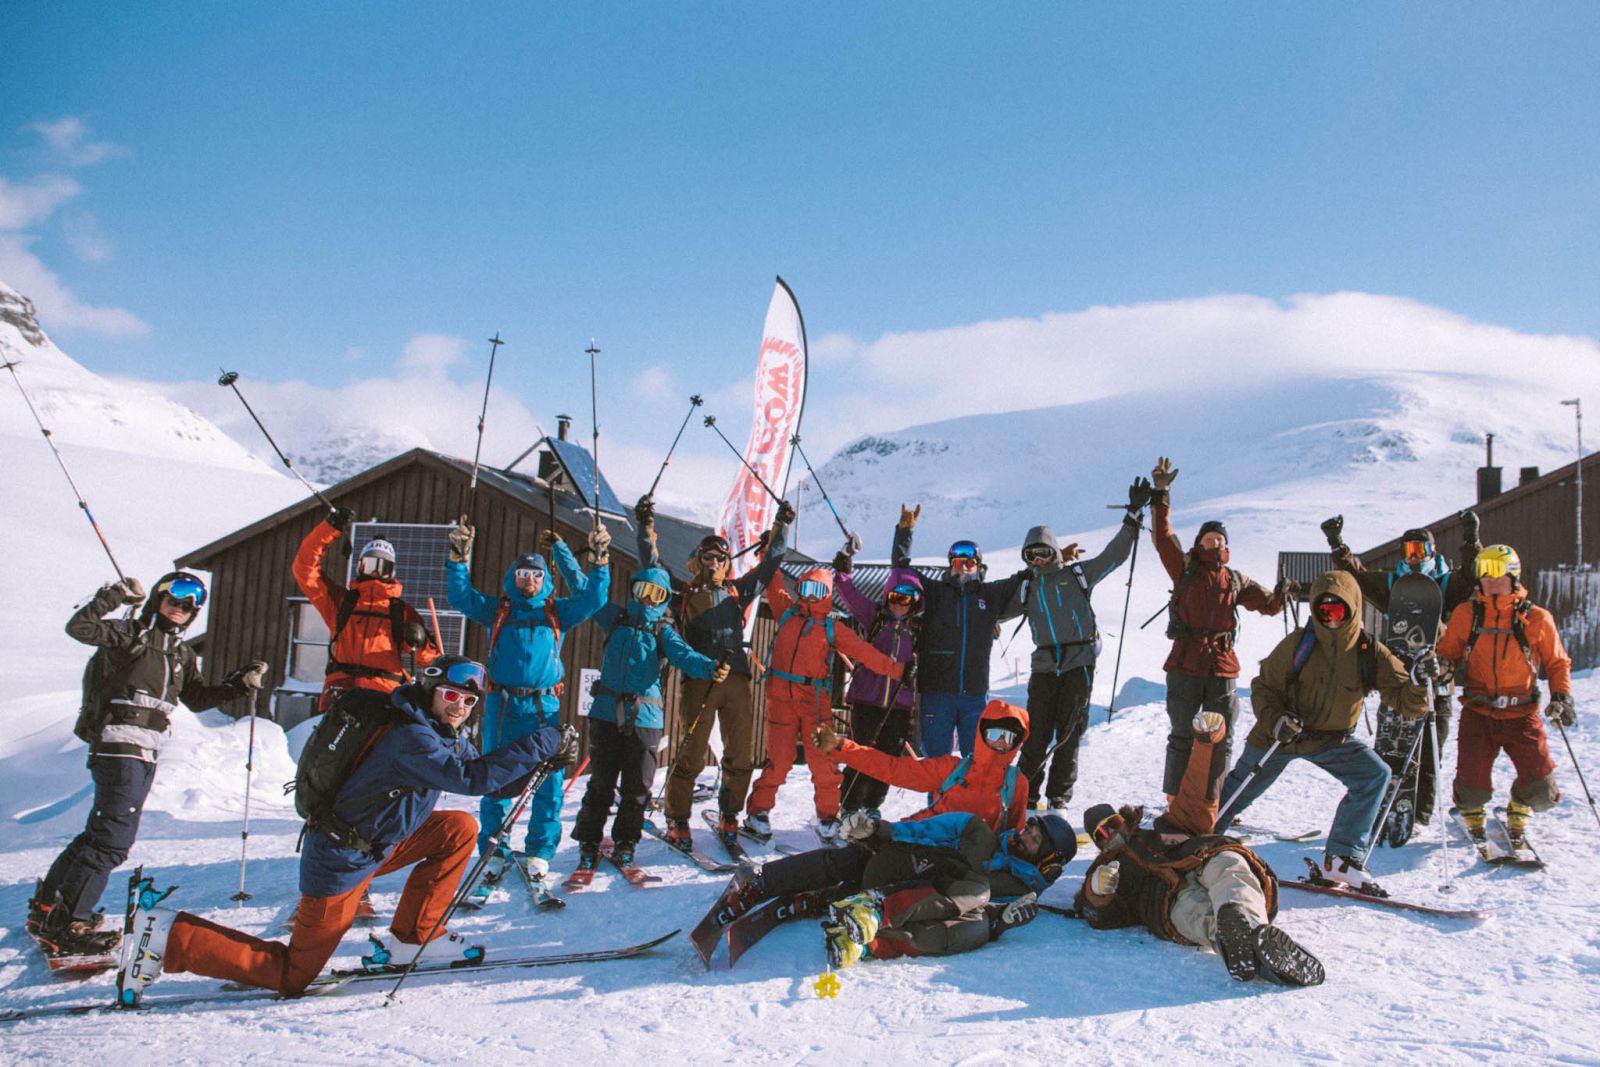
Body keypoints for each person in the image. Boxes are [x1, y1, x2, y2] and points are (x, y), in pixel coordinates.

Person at [114, 656, 579, 1003]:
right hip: (341, 859)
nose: (460, 706)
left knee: (458, 828)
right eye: (452, 695)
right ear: (431, 689)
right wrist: (541, 740)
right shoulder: (411, 736)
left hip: (381, 843)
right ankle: (168, 937)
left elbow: (483, 779)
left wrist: (542, 763)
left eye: (469, 700)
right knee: (293, 975)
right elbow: (471, 779)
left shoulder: (436, 730)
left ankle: (414, 939)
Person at [29, 573, 266, 958]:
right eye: (174, 596)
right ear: (158, 597)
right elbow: (80, 627)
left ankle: (47, 908)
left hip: (147, 748)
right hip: (118, 743)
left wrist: (237, 685)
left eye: (191, 603)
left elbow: (197, 698)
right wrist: (114, 596)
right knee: (112, 840)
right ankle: (68, 925)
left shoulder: (181, 653)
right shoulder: (131, 634)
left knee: (101, 832)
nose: (181, 606)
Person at [1214, 571, 1432, 893]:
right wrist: (1277, 722)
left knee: (1374, 775)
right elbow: (1262, 688)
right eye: (1324, 611)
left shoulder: (1368, 652)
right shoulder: (1298, 645)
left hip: (1332, 739)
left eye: (1338, 611)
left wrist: (1419, 682)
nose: (1330, 619)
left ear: (1353, 610)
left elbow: (1406, 701)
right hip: (1282, 738)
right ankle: (1196, 834)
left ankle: (1341, 860)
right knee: (1239, 789)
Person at [1075, 710, 1323, 986]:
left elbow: (1194, 798)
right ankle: (1238, 944)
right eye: (1101, 834)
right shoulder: (1107, 868)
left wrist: (1206, 743)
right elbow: (1096, 914)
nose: (1110, 832)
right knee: (1191, 912)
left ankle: (1249, 928)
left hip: (1201, 859)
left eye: (1113, 822)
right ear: (1098, 844)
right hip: (1166, 899)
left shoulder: (1162, 828)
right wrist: (1098, 892)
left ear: (1124, 817)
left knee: (1229, 865)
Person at [445, 517, 611, 880]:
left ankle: (540, 851)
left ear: (544, 580)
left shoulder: (556, 612)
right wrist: (459, 557)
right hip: (502, 708)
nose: (529, 580)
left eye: (535, 575)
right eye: (522, 574)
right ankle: (495, 847)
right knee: (494, 777)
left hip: (543, 708)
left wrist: (600, 559)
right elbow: (459, 596)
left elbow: (595, 598)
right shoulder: (498, 610)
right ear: (512, 578)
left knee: (549, 780)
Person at [634, 495, 792, 852]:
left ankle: (730, 814)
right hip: (700, 681)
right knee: (691, 752)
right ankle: (677, 818)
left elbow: (769, 568)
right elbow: (652, 565)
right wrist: (645, 526)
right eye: (708, 556)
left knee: (740, 753)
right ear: (697, 561)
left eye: (721, 558)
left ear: (726, 564)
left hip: (736, 681)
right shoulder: (684, 593)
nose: (715, 562)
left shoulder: (738, 591)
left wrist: (781, 527)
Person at [1321, 509, 1482, 841]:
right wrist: (1337, 544)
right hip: (1398, 680)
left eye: (1420, 551)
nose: (1414, 557)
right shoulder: (1395, 584)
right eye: (1409, 551)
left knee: (1430, 749)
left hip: (1437, 680)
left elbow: (1471, 575)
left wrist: (1470, 538)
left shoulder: (1446, 583)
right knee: (1394, 748)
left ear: (1432, 553)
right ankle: (1389, 807)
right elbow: (1359, 577)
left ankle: (1419, 813)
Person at [1003, 476, 1150, 810]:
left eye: (1043, 553)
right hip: (1043, 666)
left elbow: (1115, 555)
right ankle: (1025, 800)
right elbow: (994, 612)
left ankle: (1058, 800)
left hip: (1078, 663)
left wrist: (1133, 517)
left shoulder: (1077, 576)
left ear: (1054, 552)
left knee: (1069, 734)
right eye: (1031, 555)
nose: (1038, 560)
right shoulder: (1028, 588)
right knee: (1036, 735)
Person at [571, 566, 731, 874]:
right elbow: (583, 588)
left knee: (637, 788)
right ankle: (589, 841)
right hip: (606, 714)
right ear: (633, 590)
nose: (647, 599)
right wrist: (578, 555)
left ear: (663, 599)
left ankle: (626, 844)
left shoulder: (663, 632)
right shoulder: (614, 618)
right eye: (642, 590)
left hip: (645, 718)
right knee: (600, 785)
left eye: (655, 594)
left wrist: (712, 668)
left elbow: (685, 656)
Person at [1150, 457, 1289, 807]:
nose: (1214, 544)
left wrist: (1283, 596)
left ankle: (1216, 800)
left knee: (1221, 737)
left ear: (1226, 547)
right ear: (1200, 543)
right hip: (1185, 662)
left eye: (1219, 540)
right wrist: (1161, 493)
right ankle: (1175, 799)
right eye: (1209, 539)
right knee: (1182, 734)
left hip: (1222, 664)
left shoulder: (1236, 579)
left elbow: (1268, 605)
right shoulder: (1184, 568)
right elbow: (1162, 537)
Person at [744, 566, 903, 842]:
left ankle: (828, 817)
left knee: (824, 763)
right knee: (779, 761)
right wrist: (771, 546)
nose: (812, 597)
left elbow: (865, 653)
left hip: (815, 705)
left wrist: (898, 670)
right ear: (800, 589)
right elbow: (773, 581)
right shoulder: (786, 612)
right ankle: (758, 812)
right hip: (781, 701)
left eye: (820, 591)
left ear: (828, 594)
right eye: (807, 589)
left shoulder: (832, 627)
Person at [1436, 544, 1574, 848]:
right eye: (1484, 572)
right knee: (1471, 789)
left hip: (1522, 714)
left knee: (1542, 791)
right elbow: (1447, 653)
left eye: (1497, 571)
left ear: (1513, 575)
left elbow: (1557, 662)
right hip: (1478, 712)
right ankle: (1470, 811)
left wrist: (1561, 696)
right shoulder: (1466, 614)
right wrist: (1442, 668)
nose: (1490, 579)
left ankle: (1520, 804)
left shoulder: (1537, 618)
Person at [820, 808, 1074, 967]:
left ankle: (866, 945)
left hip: (921, 908)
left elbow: (980, 915)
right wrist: (878, 830)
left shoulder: (1021, 894)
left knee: (977, 928)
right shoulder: (977, 831)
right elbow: (921, 830)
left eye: (1035, 840)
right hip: (896, 870)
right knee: (978, 889)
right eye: (1029, 829)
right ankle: (873, 907)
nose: (1025, 836)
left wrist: (1001, 923)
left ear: (1048, 862)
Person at [892, 504, 1028, 757]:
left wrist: (1055, 557)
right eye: (957, 562)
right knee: (936, 763)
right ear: (950, 565)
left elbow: (1025, 577)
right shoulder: (934, 592)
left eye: (969, 563)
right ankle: (938, 799)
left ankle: (970, 800)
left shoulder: (990, 595)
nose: (963, 567)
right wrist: (904, 533)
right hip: (936, 694)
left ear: (978, 566)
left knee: (975, 761)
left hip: (974, 696)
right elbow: (901, 569)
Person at [813, 699, 1032, 834]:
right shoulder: (954, 769)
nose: (1002, 742)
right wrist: (841, 747)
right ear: (982, 734)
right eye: (995, 734)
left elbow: (1012, 835)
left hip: (970, 858)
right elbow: (893, 769)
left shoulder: (1015, 784)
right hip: (925, 838)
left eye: (1009, 736)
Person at [293, 506, 437, 712]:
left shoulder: (401, 612)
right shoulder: (343, 603)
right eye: (370, 565)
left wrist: (419, 641)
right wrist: (329, 529)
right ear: (360, 566)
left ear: (392, 571)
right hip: (342, 689)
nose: (376, 572)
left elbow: (430, 659)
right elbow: (305, 569)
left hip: (384, 693)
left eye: (383, 567)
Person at [831, 531, 922, 820]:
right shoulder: (874, 618)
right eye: (896, 596)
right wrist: (844, 567)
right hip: (867, 700)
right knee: (861, 753)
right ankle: (849, 806)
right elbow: (848, 593)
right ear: (887, 596)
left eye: (908, 599)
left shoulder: (918, 630)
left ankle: (872, 808)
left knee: (887, 759)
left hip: (899, 703)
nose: (900, 603)